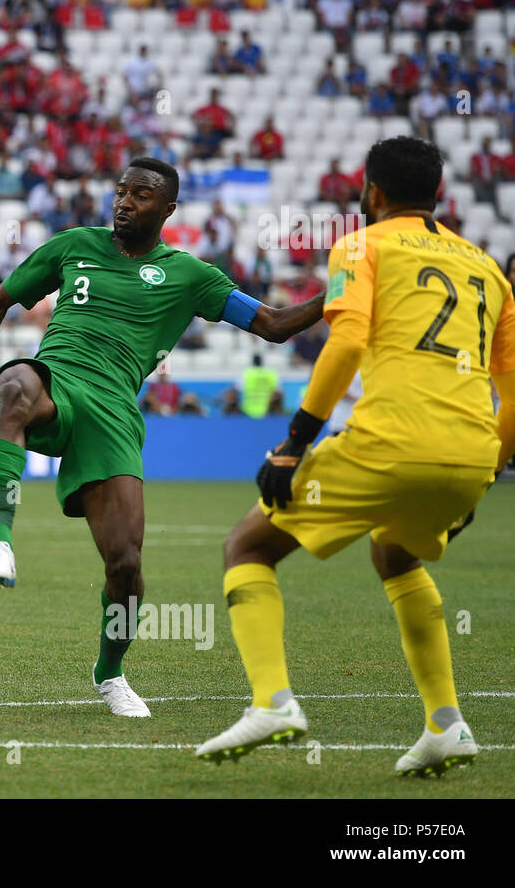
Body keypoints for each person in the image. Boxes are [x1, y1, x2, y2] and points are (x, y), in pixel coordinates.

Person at [0, 157, 326, 717]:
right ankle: (0, 540)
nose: (124, 202)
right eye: (120, 192)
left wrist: (339, 295)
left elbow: (274, 324)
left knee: (125, 564)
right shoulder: (74, 246)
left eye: (140, 195)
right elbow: (0, 298)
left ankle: (110, 673)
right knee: (15, 385)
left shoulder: (190, 275)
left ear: (166, 210)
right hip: (58, 383)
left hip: (113, 412)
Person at [198, 138, 515, 775]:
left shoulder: (361, 244)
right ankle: (446, 723)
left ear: (371, 193)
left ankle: (273, 702)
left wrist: (293, 443)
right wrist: (484, 479)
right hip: (474, 452)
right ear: (440, 196)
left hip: (391, 441)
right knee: (393, 552)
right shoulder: (489, 269)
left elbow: (344, 343)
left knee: (248, 548)